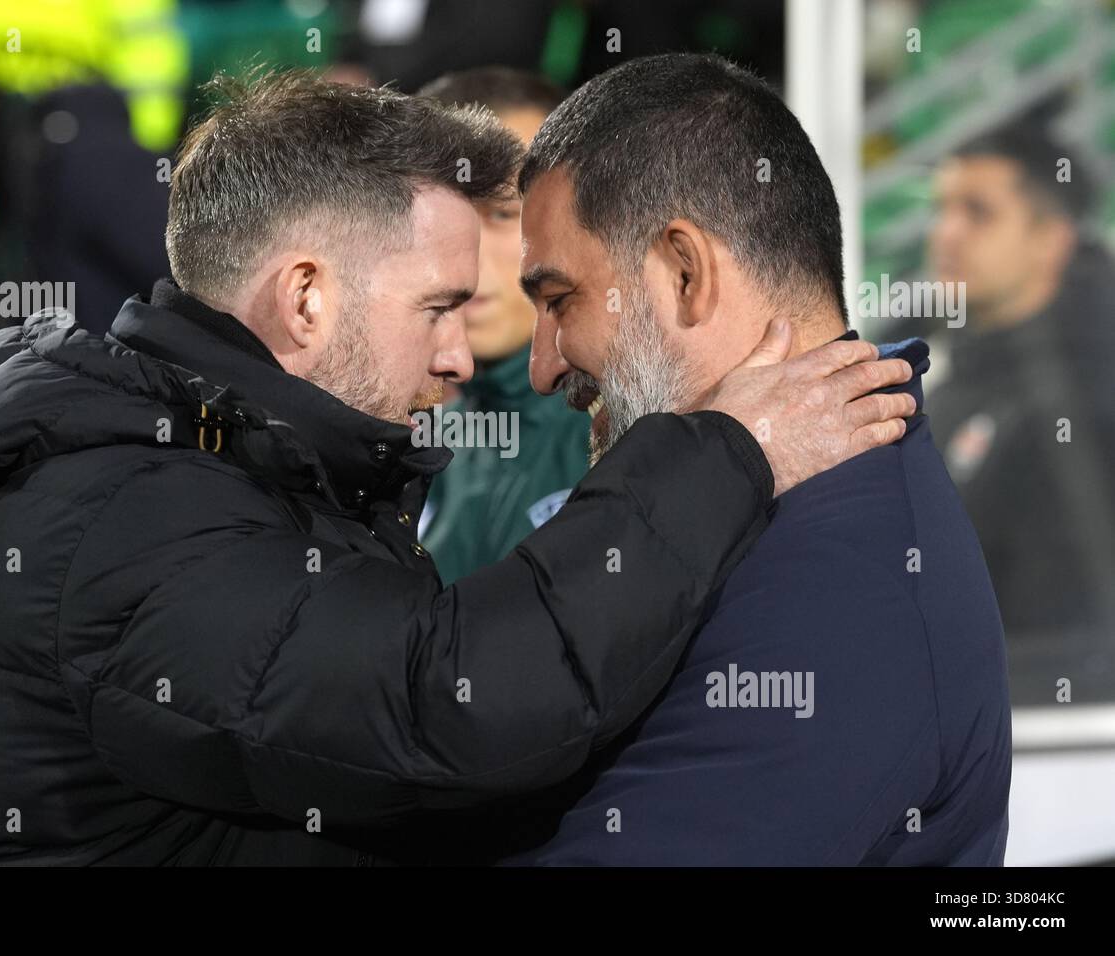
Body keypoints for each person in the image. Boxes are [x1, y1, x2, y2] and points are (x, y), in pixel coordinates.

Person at [0, 70, 913, 866]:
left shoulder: (228, 460)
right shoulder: (132, 510)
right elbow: (447, 705)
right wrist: (729, 448)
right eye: (440, 307)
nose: (464, 352)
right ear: (307, 297)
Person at [495, 53, 1010, 865]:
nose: (543, 365)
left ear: (684, 271)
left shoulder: (842, 584)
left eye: (560, 301)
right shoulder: (758, 517)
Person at [924, 127, 1115, 661]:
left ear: (1050, 240)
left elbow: (1069, 649)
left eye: (978, 213)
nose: (947, 234)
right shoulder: (958, 376)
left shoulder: (1088, 404)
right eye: (943, 210)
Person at [416, 66, 589, 582]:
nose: (462, 257)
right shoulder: (409, 452)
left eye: (500, 215)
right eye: (441, 218)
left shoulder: (637, 438)